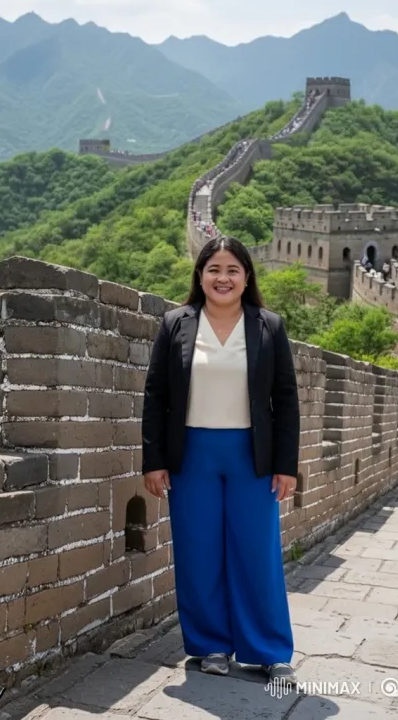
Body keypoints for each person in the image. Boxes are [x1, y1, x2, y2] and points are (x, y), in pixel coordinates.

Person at [141, 235, 300, 684]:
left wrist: (286, 464)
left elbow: (285, 399)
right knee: (199, 550)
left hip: (253, 456)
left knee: (257, 551)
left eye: (232, 270)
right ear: (200, 276)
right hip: (192, 454)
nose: (223, 278)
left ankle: (269, 650)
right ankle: (210, 645)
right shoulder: (176, 323)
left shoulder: (269, 326)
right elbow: (156, 394)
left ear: (247, 276)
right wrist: (153, 460)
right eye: (214, 269)